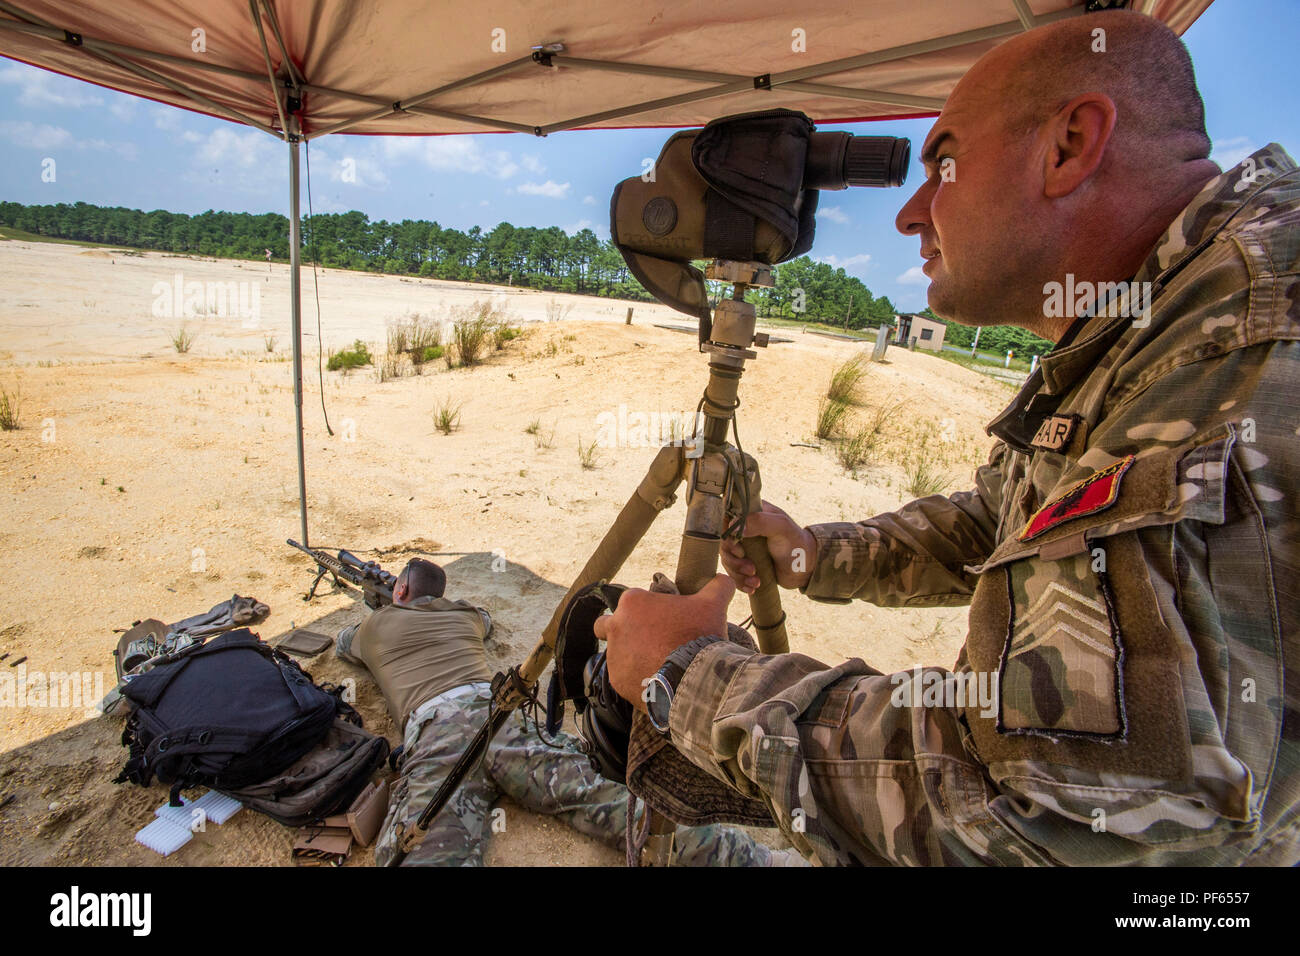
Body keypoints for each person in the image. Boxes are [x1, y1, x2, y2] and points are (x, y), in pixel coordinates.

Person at [594, 9, 1298, 866]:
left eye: (945, 164)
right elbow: (1009, 519)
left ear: (1071, 145)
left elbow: (1041, 808)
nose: (911, 214)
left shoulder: (1246, 346)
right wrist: (817, 551)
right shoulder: (1152, 321)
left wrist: (690, 678)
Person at [336, 557, 803, 866]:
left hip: (441, 727)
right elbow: (486, 620)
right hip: (504, 710)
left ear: (399, 591)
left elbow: (345, 644)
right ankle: (760, 861)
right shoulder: (464, 615)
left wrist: (380, 610)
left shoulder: (376, 625)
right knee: (612, 800)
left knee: (422, 850)